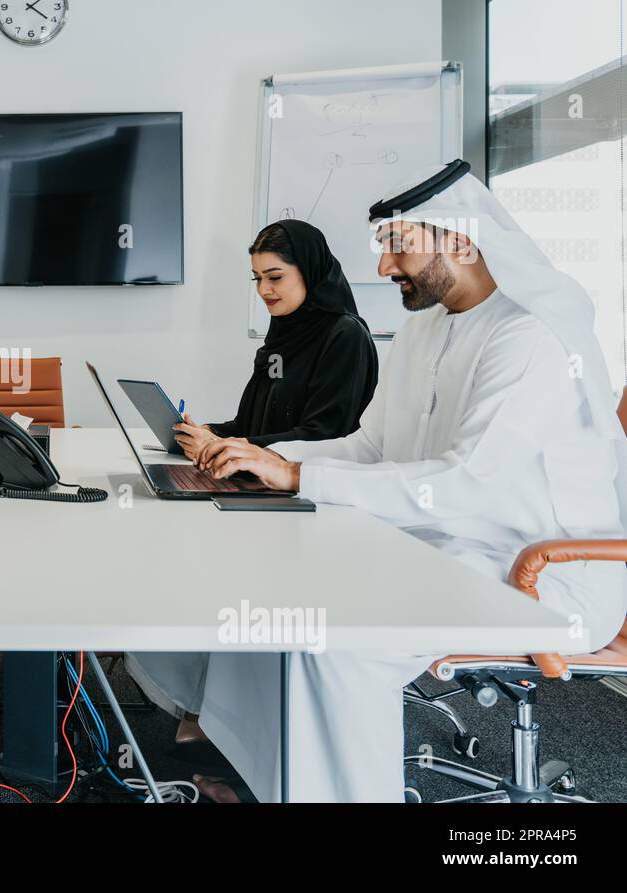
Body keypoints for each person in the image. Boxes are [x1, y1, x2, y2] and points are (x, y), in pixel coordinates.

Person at [192, 160, 627, 802]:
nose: (383, 267)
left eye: (400, 246)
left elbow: (466, 484)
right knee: (275, 590)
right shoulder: (424, 327)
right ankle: (269, 783)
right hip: (451, 545)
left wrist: (296, 475)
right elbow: (372, 445)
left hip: (539, 573)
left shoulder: (528, 336)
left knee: (335, 636)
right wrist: (263, 457)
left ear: (461, 240)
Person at [126, 220, 377, 761]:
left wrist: (233, 446)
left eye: (276, 277)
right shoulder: (279, 338)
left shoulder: (344, 336)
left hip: (309, 502)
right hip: (257, 493)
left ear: (310, 273)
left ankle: (226, 723)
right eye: (257, 278)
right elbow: (249, 424)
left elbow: (327, 438)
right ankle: (204, 709)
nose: (265, 290)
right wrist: (202, 437)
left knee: (211, 571)